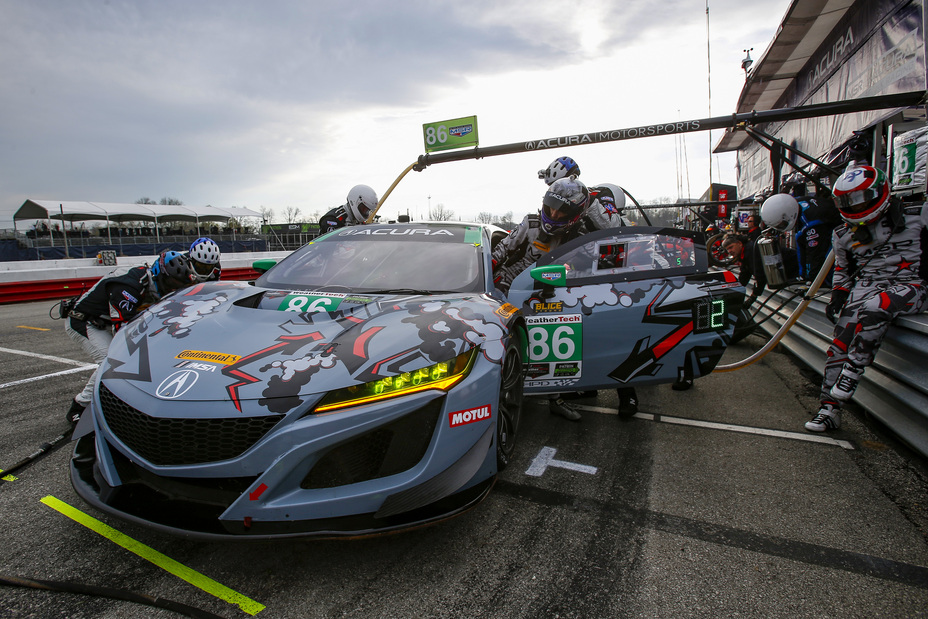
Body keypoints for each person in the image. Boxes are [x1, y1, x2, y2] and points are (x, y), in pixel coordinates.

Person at [806, 164, 928, 432]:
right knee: (839, 344)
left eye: (860, 197)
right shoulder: (842, 233)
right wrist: (838, 294)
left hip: (913, 285)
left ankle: (854, 371)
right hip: (867, 286)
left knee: (877, 307)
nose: (854, 205)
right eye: (847, 200)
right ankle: (828, 409)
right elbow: (842, 267)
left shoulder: (919, 214)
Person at [63, 251, 196, 425]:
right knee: (111, 361)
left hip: (106, 321)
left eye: (178, 285)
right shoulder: (130, 287)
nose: (174, 288)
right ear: (160, 275)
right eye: (172, 283)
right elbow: (123, 332)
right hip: (85, 321)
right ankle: (79, 406)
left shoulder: (151, 285)